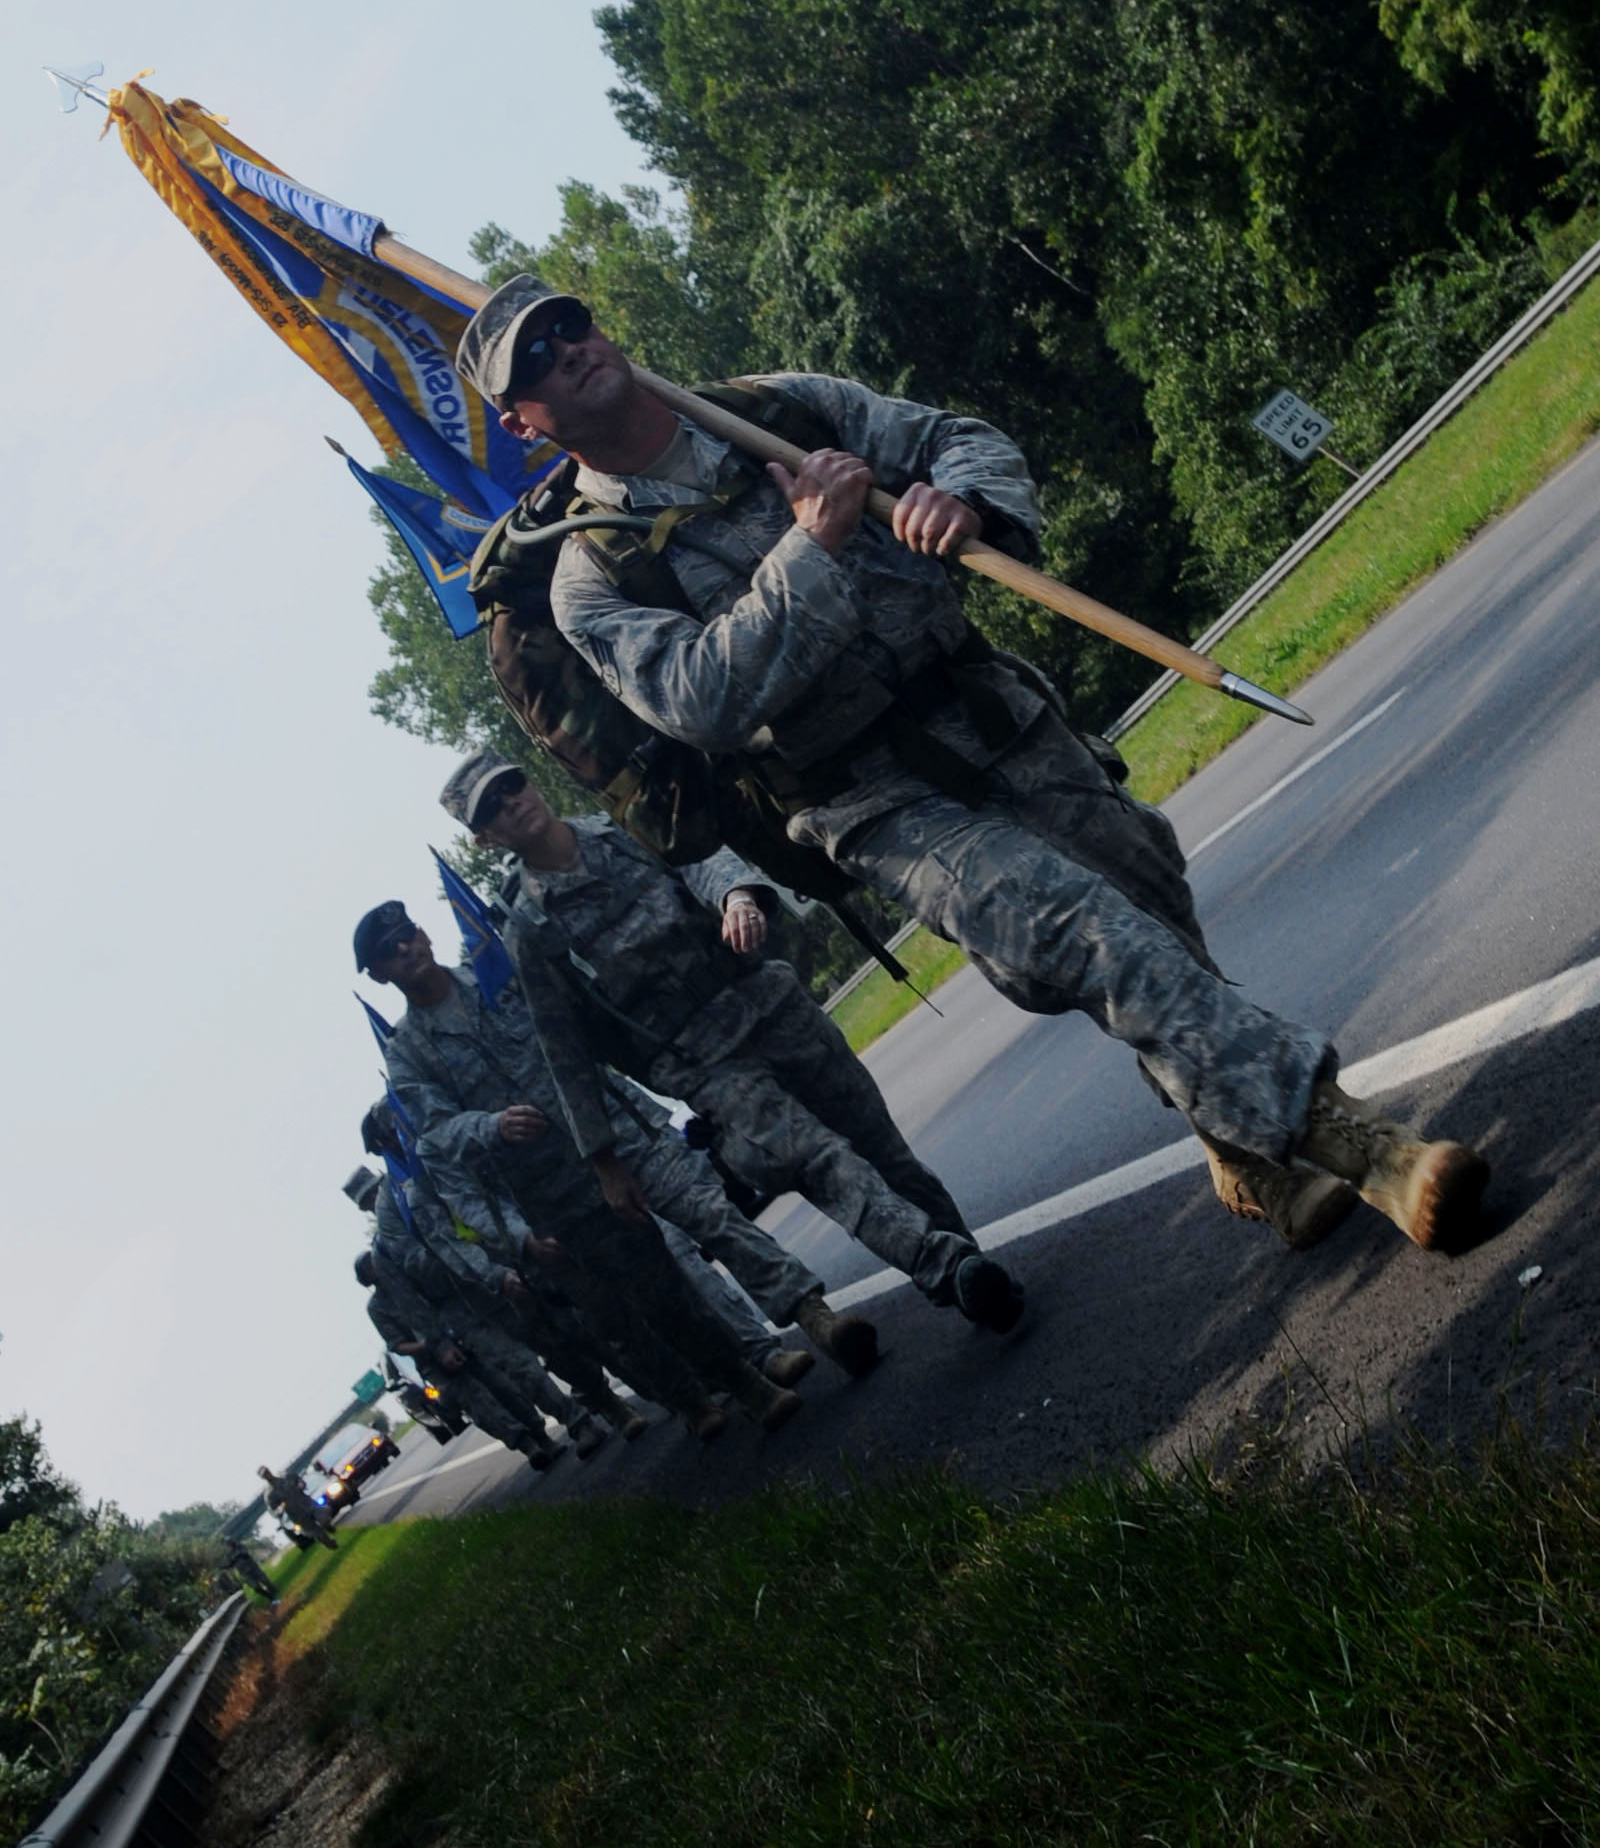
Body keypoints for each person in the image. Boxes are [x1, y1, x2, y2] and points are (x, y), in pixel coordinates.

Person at [454, 276, 1490, 1256]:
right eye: (533, 362)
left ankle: (1243, 1152)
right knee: (1091, 936)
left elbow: (957, 438)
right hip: (871, 799)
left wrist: (966, 504)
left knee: (1151, 906)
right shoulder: (590, 574)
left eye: (568, 324)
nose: (565, 351)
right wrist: (811, 545)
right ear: (521, 422)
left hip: (987, 708)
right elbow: (700, 699)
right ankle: (1372, 1152)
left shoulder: (775, 408)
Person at [439, 750, 966, 1346]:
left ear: (530, 781)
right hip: (702, 1061)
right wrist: (605, 1161)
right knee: (819, 1159)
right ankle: (939, 1263)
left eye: (511, 785)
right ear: (485, 838)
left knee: (885, 1151)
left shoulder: (629, 826)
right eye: (492, 808)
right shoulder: (528, 928)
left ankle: (970, 1261)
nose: (511, 803)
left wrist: (737, 899)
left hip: (768, 1004)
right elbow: (565, 1050)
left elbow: (705, 860)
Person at [353, 900, 804, 1440]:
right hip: (557, 1195)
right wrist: (492, 1135)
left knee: (702, 1231)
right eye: (389, 951)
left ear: (425, 934)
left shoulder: (496, 969)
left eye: (408, 935)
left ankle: (785, 1335)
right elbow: (439, 1141)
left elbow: (574, 1011)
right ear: (379, 974)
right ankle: (721, 1390)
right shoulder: (409, 1055)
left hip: (616, 1133)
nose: (405, 949)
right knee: (645, 1303)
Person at [346, 1163, 609, 1459]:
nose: (374, 1199)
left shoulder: (423, 1189)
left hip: (491, 1277)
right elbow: (410, 1303)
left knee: (558, 1341)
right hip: (458, 1311)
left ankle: (608, 1402)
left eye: (374, 1191)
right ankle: (578, 1423)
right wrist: (439, 1343)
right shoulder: (384, 1251)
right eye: (367, 1199)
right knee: (520, 1368)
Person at [257, 1465, 338, 1550]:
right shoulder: (270, 1494)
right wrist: (280, 1509)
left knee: (323, 1518)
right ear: (263, 1478)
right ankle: (330, 1544)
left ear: (269, 1470)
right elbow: (273, 1512)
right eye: (264, 1475)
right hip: (298, 1516)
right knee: (317, 1533)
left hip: (308, 1504)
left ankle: (328, 1526)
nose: (267, 1475)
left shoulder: (285, 1477)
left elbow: (299, 1480)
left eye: (267, 1472)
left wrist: (301, 1484)